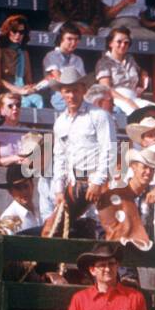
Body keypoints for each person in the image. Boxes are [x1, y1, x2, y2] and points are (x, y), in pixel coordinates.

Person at [50, 66, 117, 209]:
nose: (71, 95)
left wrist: (98, 182)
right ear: (61, 93)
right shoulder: (60, 122)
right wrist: (59, 189)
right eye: (67, 91)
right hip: (72, 187)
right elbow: (59, 157)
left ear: (83, 90)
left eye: (75, 90)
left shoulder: (99, 116)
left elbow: (109, 150)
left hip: (97, 185)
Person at [0, 164, 41, 235]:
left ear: (32, 185)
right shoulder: (8, 218)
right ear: (10, 192)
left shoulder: (42, 209)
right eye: (18, 188)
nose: (24, 192)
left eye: (26, 186)